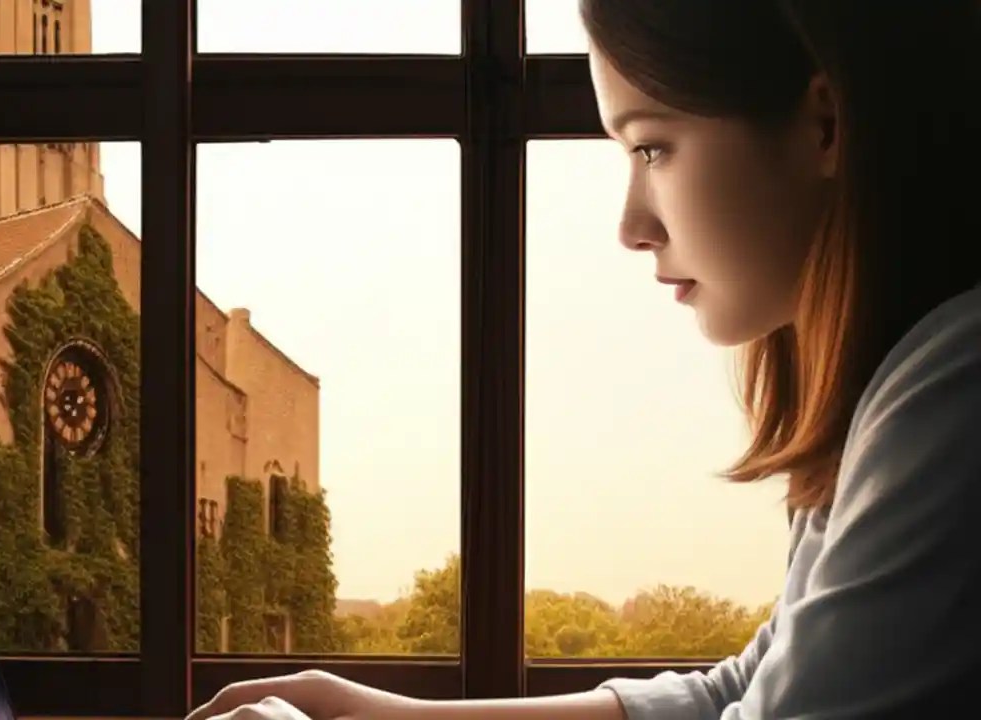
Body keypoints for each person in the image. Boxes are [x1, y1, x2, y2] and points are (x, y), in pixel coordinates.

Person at [186, 1, 981, 717]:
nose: (633, 225)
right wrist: (389, 718)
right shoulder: (905, 385)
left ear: (825, 125)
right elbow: (747, 692)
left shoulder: (956, 392)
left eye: (653, 148)